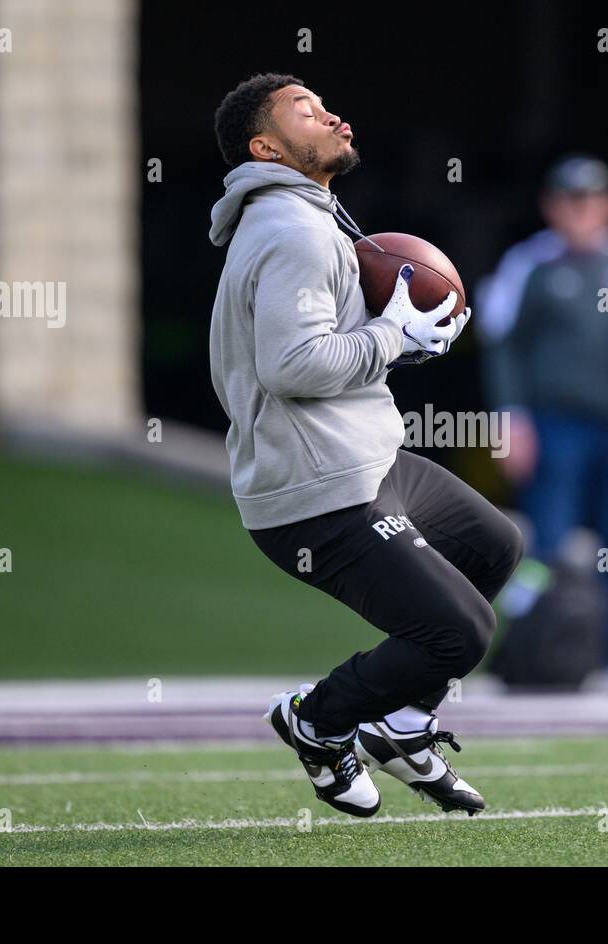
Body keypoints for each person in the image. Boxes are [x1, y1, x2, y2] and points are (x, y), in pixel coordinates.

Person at [208, 73, 523, 817]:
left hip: (367, 462)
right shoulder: (294, 227)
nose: (332, 114)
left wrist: (398, 344)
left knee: (493, 548)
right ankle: (316, 721)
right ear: (268, 147)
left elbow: (318, 347)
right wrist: (392, 333)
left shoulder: (309, 212)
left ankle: (404, 724)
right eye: (306, 111)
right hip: (318, 494)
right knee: (459, 633)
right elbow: (292, 367)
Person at [479, 155, 608, 695]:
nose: (582, 211)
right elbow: (502, 347)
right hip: (555, 424)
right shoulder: (530, 264)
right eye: (570, 201)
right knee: (549, 543)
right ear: (551, 207)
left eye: (591, 200)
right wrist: (510, 421)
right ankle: (537, 652)